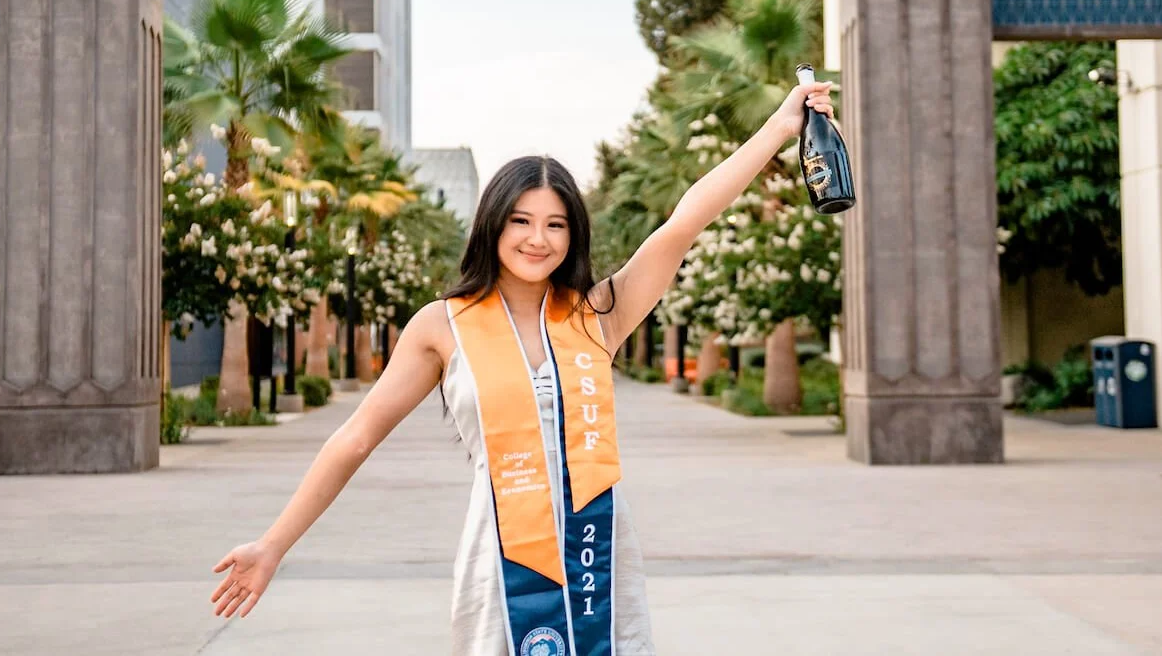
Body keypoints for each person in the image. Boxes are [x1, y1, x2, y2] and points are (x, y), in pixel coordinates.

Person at [209, 77, 836, 655]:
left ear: (573, 235)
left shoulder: (599, 313)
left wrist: (781, 128)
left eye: (556, 224)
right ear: (493, 224)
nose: (539, 239)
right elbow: (355, 438)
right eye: (522, 221)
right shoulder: (442, 326)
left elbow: (686, 220)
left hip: (598, 556)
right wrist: (273, 544)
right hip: (501, 558)